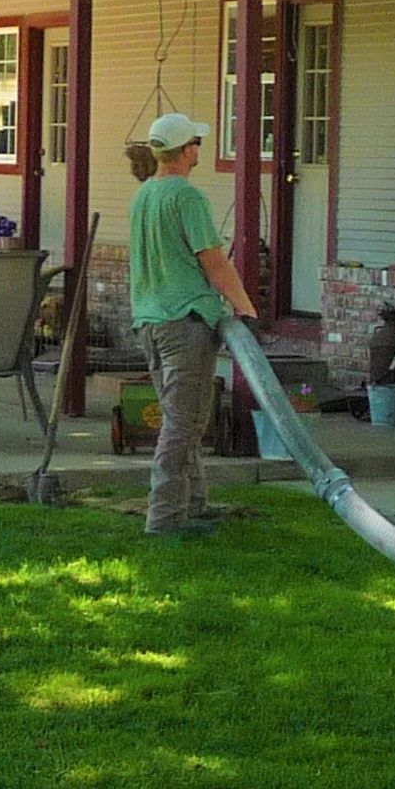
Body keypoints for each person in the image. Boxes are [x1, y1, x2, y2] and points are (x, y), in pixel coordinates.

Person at [129, 111, 258, 536]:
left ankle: (195, 505)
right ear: (186, 150)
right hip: (184, 320)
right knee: (183, 422)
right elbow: (213, 260)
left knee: (185, 416)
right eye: (196, 143)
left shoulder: (145, 195)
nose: (199, 149)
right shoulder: (186, 197)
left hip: (149, 318)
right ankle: (163, 519)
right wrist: (244, 306)